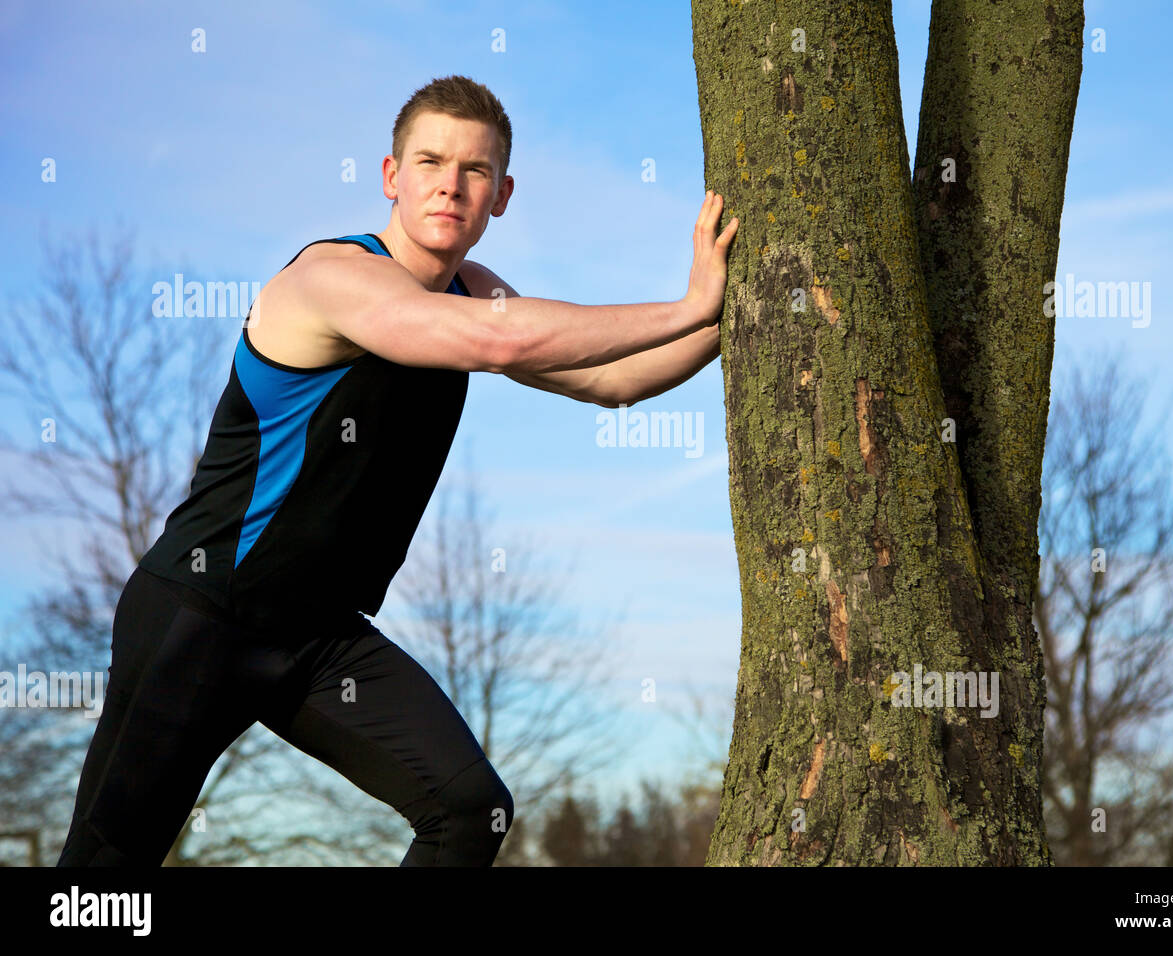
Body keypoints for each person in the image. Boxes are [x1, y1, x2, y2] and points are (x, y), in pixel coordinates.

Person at [55, 74, 738, 866]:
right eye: (430, 162)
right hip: (201, 615)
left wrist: (733, 307)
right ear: (391, 176)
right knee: (103, 880)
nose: (451, 185)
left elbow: (613, 381)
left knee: (468, 808)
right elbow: (500, 343)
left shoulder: (474, 292)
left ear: (502, 195)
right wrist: (685, 306)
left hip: (319, 640)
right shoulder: (329, 277)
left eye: (475, 171)